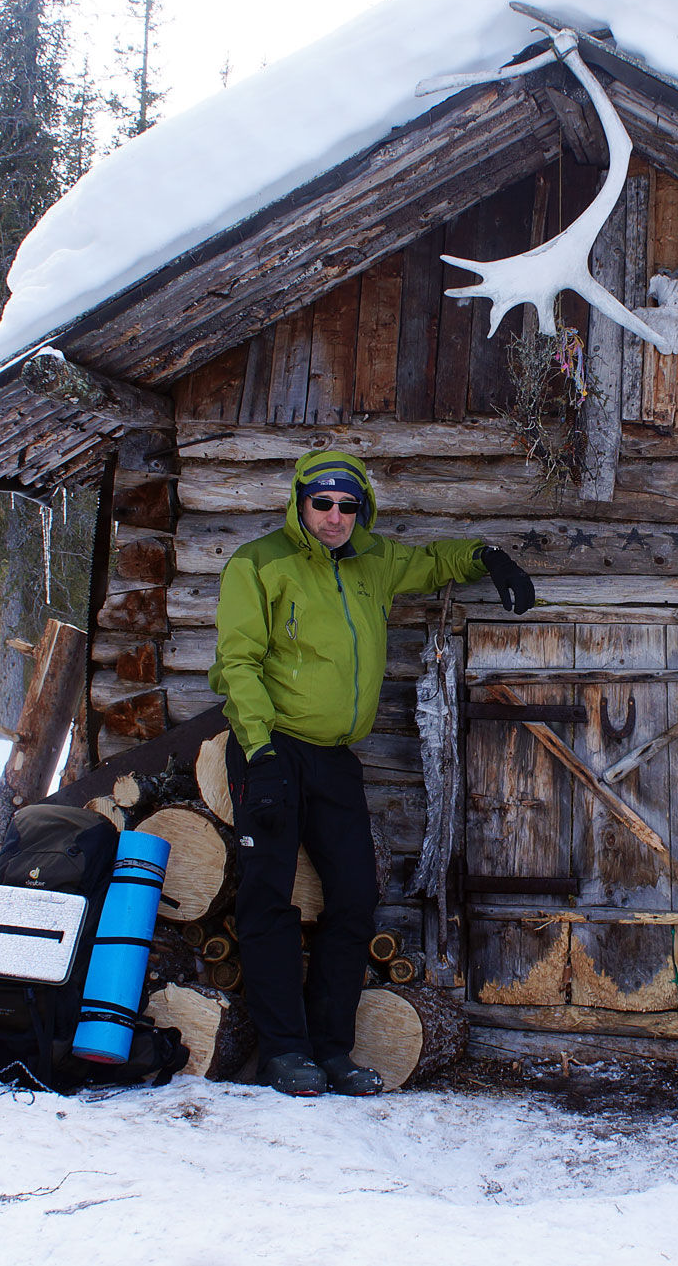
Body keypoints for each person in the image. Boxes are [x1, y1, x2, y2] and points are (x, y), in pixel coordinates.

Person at [209, 449, 536, 1096]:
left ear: (363, 510)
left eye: (348, 505)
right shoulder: (259, 564)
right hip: (269, 749)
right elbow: (236, 662)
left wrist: (489, 558)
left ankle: (331, 1049)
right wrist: (261, 748)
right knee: (269, 899)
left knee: (356, 896)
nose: (335, 516)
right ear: (301, 502)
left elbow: (435, 560)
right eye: (323, 503)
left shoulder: (373, 563)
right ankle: (282, 1051)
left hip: (334, 760)